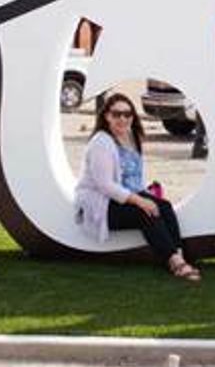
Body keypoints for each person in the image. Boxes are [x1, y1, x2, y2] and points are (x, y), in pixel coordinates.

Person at [74, 93, 201, 281]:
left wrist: (147, 196)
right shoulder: (101, 143)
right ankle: (175, 262)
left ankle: (178, 254)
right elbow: (106, 185)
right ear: (107, 116)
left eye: (127, 114)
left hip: (128, 196)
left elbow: (135, 177)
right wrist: (141, 201)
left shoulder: (132, 136)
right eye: (117, 114)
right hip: (103, 203)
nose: (123, 119)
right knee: (145, 213)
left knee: (164, 207)